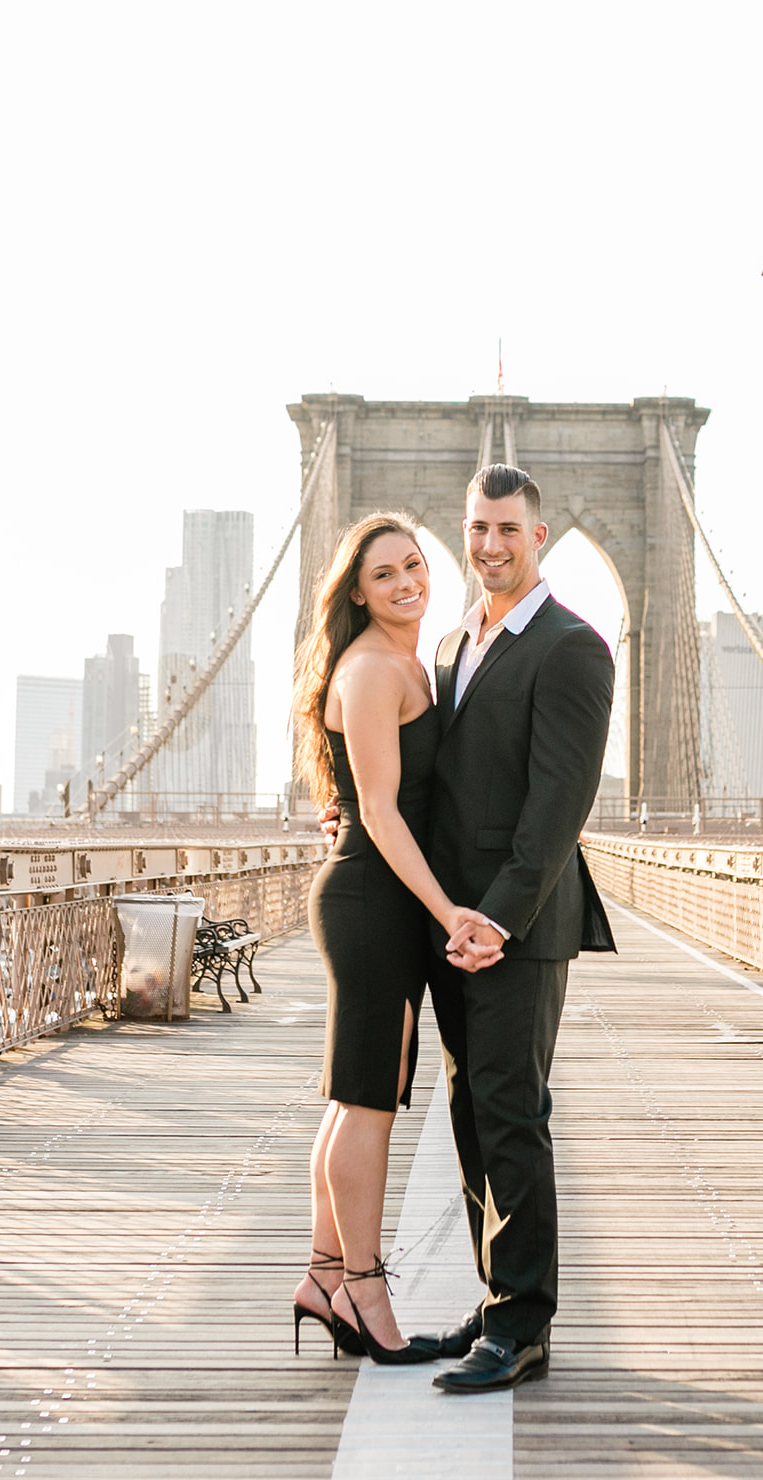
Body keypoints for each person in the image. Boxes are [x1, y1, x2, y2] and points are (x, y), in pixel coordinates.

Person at [326, 464, 616, 1395]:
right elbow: (422, 783)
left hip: (515, 930)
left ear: (540, 537)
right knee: (470, 1117)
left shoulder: (574, 648)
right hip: (452, 926)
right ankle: (496, 1305)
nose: (488, 546)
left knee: (513, 1115)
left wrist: (495, 916)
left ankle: (524, 1325)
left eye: (507, 530)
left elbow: (557, 808)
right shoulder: (451, 646)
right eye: (476, 529)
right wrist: (352, 811)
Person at [291, 511, 496, 1365]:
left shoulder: (413, 656)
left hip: (379, 896)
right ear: (357, 591)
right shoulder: (375, 668)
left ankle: (321, 1274)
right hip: (375, 900)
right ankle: (364, 1289)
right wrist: (452, 913)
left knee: (353, 1096)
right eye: (384, 575)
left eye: (414, 565)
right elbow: (377, 811)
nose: (407, 582)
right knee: (371, 1101)